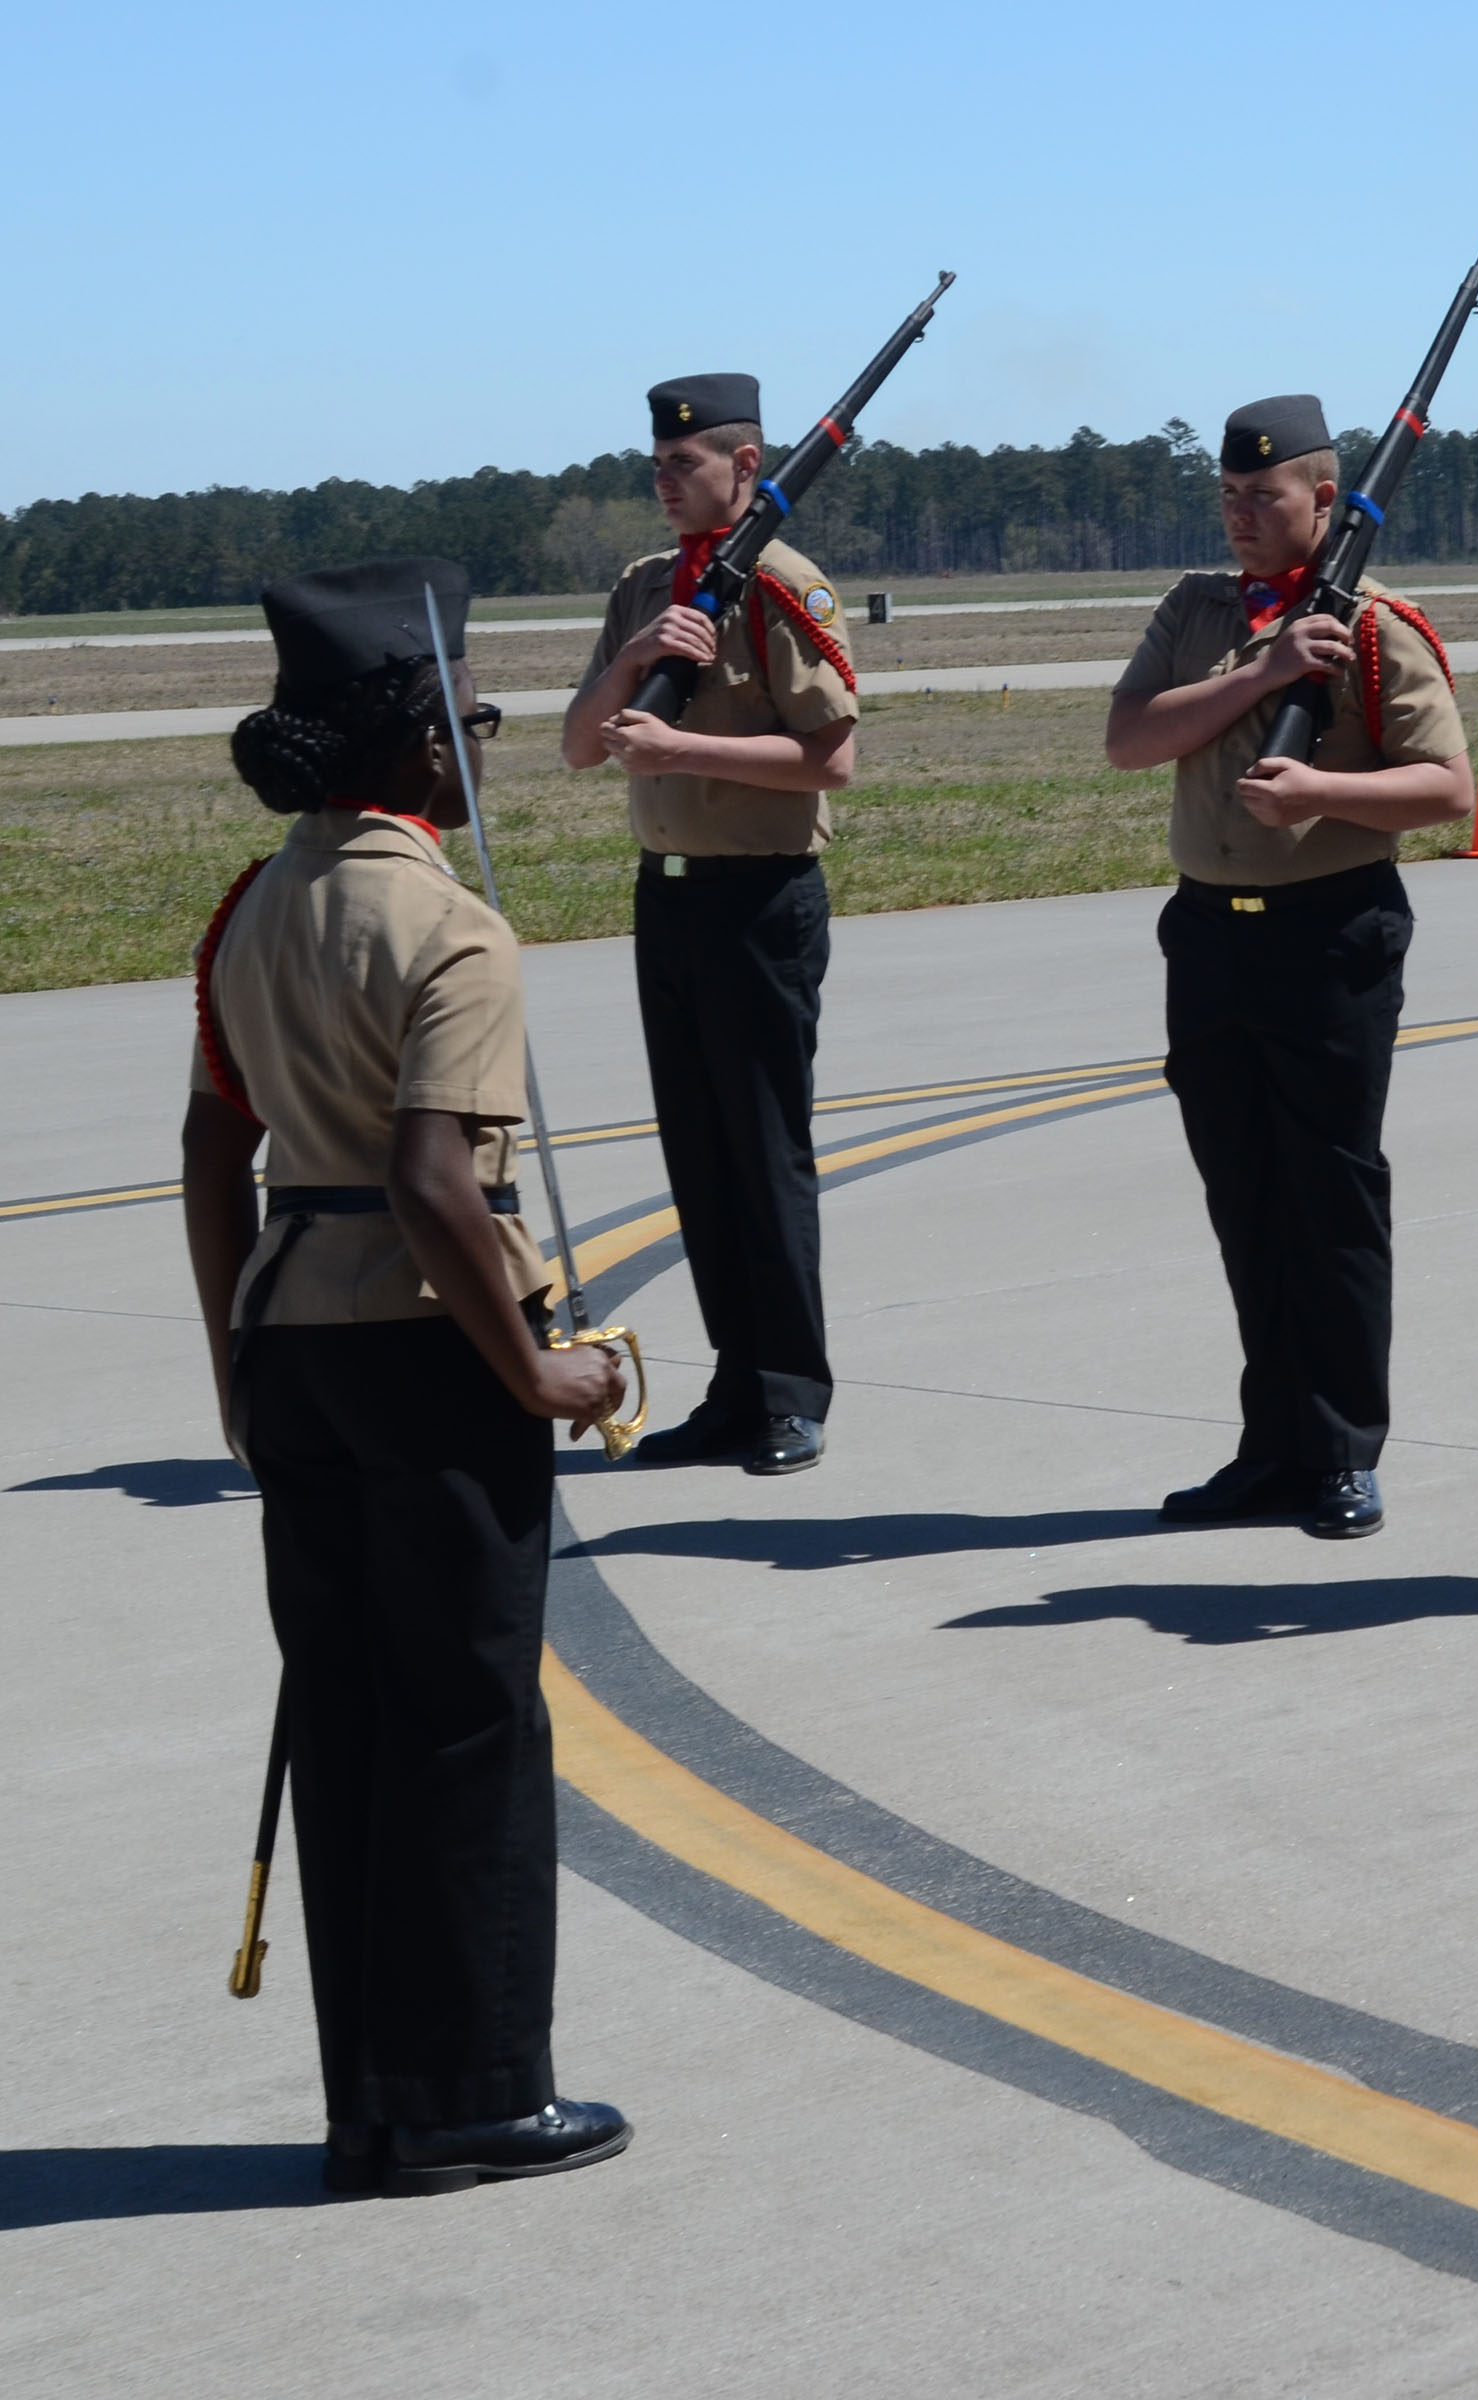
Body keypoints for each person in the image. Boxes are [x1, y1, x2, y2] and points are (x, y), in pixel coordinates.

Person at [183, 559, 632, 2197]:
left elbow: (213, 1141)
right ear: (426, 747)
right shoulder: (446, 925)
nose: (485, 750)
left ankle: (369, 2100)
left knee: (349, 1729)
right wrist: (537, 1375)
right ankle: (471, 2095)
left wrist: (237, 1361)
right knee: (466, 1733)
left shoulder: (252, 904)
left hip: (293, 1345)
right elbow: (443, 1186)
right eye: (474, 724)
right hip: (430, 1359)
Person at [1103, 396, 1470, 1538]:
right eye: (1227, 495)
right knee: (1246, 1200)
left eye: (1263, 496)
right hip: (1213, 936)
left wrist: (1320, 794)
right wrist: (1259, 677)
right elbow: (1131, 738)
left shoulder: (1376, 626)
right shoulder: (1202, 611)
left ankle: (1344, 1452)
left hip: (1329, 939)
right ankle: (1273, 1449)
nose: (1241, 515)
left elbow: (1447, 788)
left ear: (1325, 497)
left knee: (1330, 1201)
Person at [561, 373, 859, 1476]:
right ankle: (737, 1388)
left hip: (758, 900)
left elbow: (834, 759)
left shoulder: (784, 588)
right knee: (700, 1155)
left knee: (763, 1153)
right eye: (657, 465)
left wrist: (686, 750)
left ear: (746, 465)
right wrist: (637, 660)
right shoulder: (647, 586)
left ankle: (790, 1393)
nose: (664, 481)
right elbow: (581, 743)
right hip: (669, 895)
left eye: (684, 465)